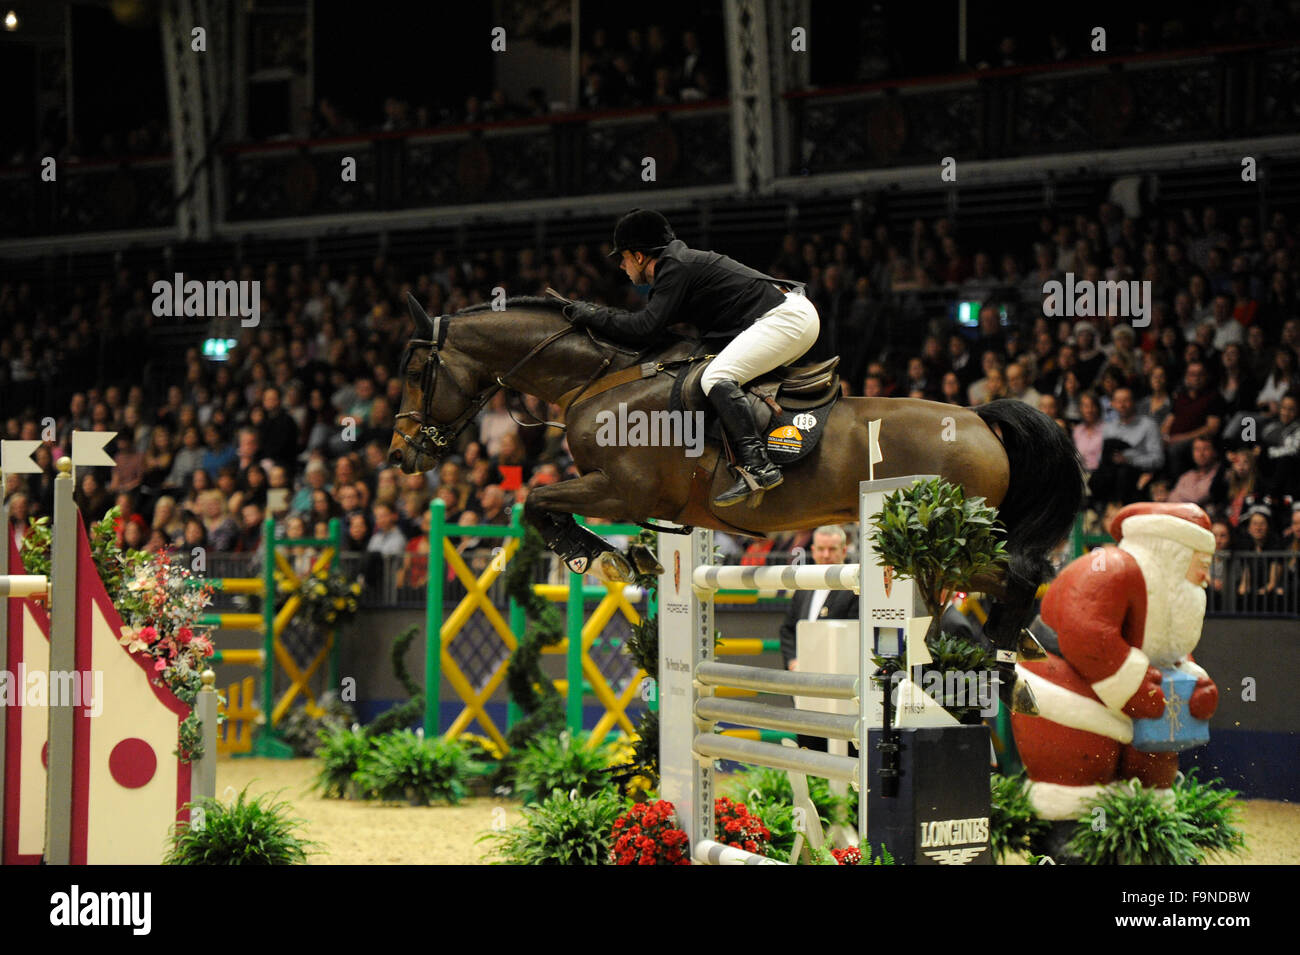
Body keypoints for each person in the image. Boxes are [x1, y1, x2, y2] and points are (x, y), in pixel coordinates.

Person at [565, 209, 819, 506]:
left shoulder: (675, 268)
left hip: (786, 320)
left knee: (716, 377)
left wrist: (594, 315)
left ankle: (758, 466)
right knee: (712, 371)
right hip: (785, 318)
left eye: (622, 257)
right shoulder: (676, 267)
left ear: (638, 256)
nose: (621, 265)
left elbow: (644, 328)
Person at [776, 525, 857, 752]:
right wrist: (793, 662)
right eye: (821, 549)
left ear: (844, 550)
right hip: (804, 683)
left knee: (839, 750)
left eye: (832, 549)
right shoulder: (805, 584)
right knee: (808, 746)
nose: (826, 555)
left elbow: (850, 637)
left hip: (837, 688)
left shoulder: (854, 588)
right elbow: (788, 630)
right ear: (812, 550)